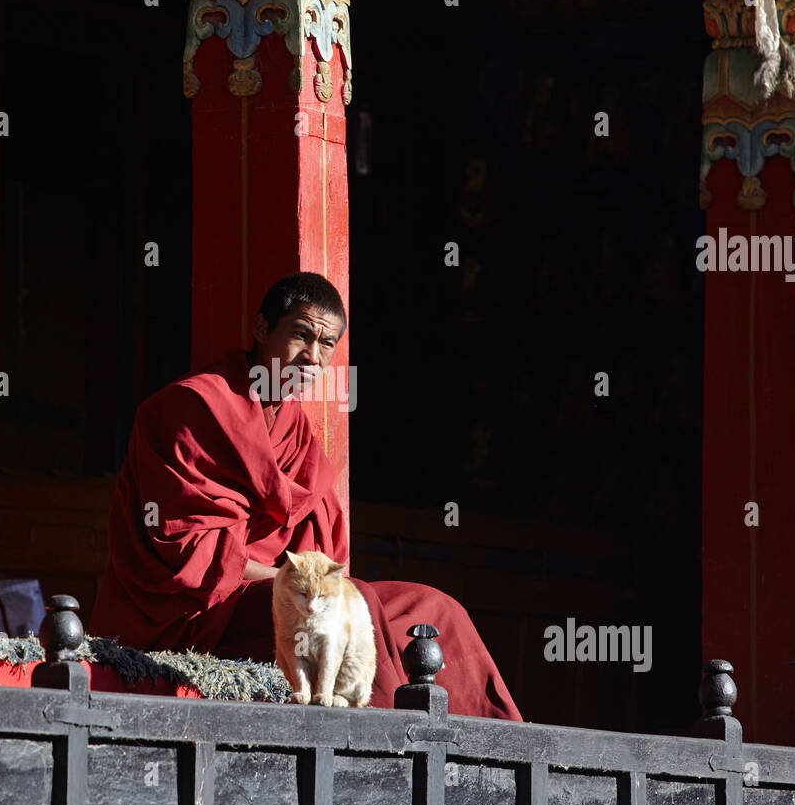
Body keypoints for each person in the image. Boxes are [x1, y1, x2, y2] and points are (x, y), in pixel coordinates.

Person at [88, 273, 522, 720]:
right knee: (348, 607)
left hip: (277, 599)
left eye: (327, 345)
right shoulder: (192, 408)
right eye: (301, 334)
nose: (312, 358)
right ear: (260, 329)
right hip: (191, 617)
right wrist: (298, 585)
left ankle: (505, 755)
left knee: (434, 610)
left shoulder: (295, 431)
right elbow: (192, 555)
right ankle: (389, 748)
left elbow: (321, 548)